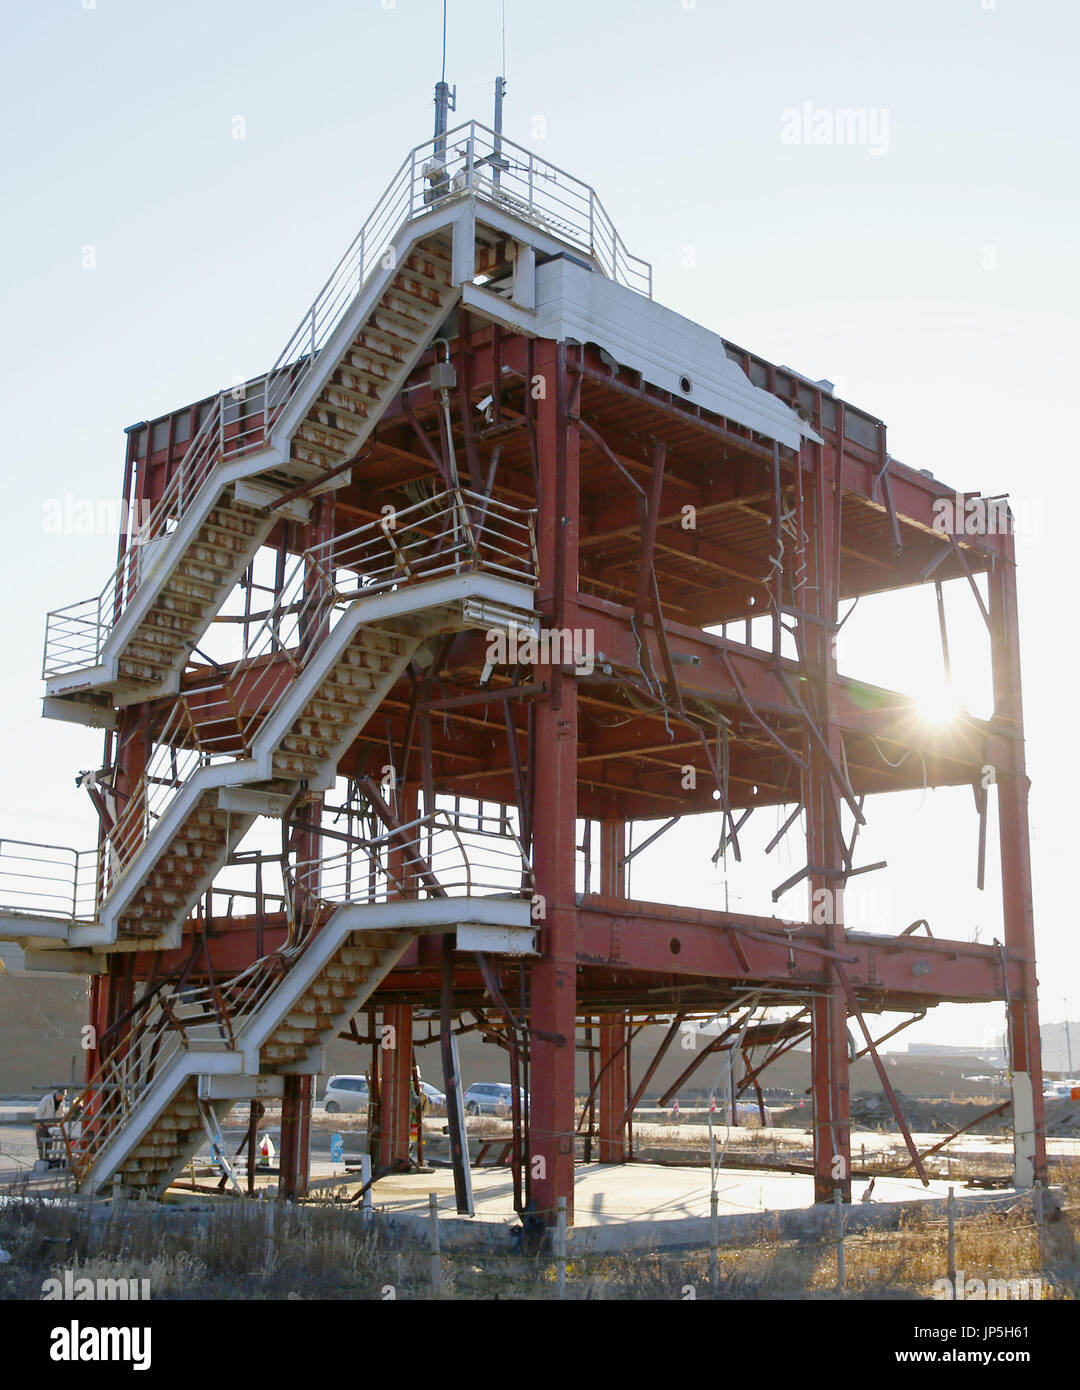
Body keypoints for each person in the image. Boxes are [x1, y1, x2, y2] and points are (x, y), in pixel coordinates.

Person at [34, 1087, 66, 1165]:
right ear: (57, 1095)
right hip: (42, 1124)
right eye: (60, 1097)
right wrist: (38, 1124)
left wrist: (57, 1123)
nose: (61, 1098)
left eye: (62, 1097)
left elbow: (61, 1113)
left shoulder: (62, 1102)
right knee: (41, 1143)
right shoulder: (47, 1099)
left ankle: (47, 1160)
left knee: (49, 1143)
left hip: (52, 1125)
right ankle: (42, 1159)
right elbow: (39, 1111)